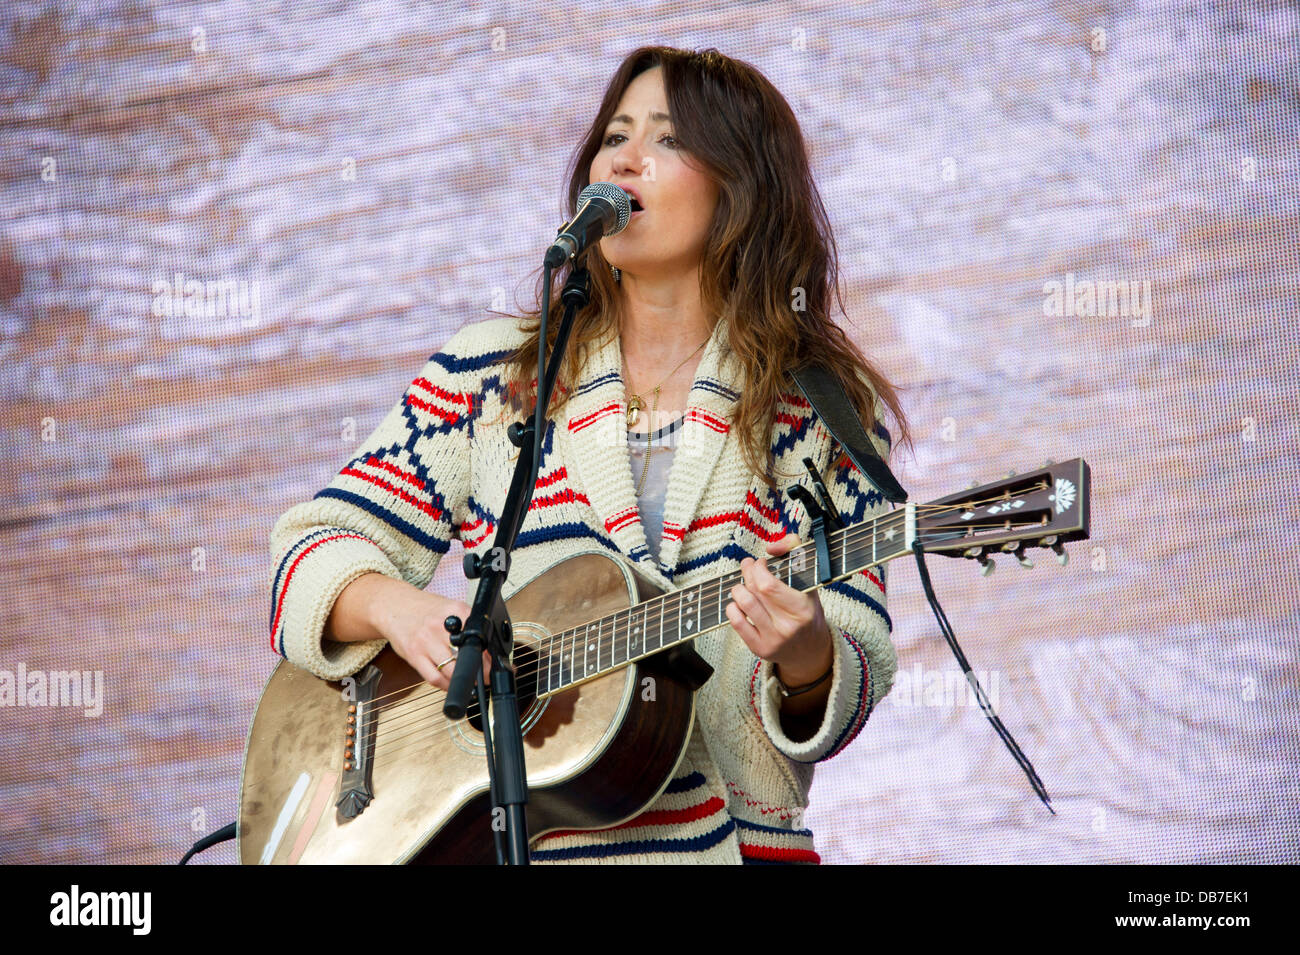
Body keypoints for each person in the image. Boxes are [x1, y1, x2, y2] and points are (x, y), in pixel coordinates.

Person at [268, 46, 911, 864]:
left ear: (741, 187)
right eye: (615, 136)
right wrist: (401, 611)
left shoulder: (821, 406)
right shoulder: (491, 375)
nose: (625, 158)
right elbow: (308, 553)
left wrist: (807, 654)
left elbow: (854, 669)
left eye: (668, 139)